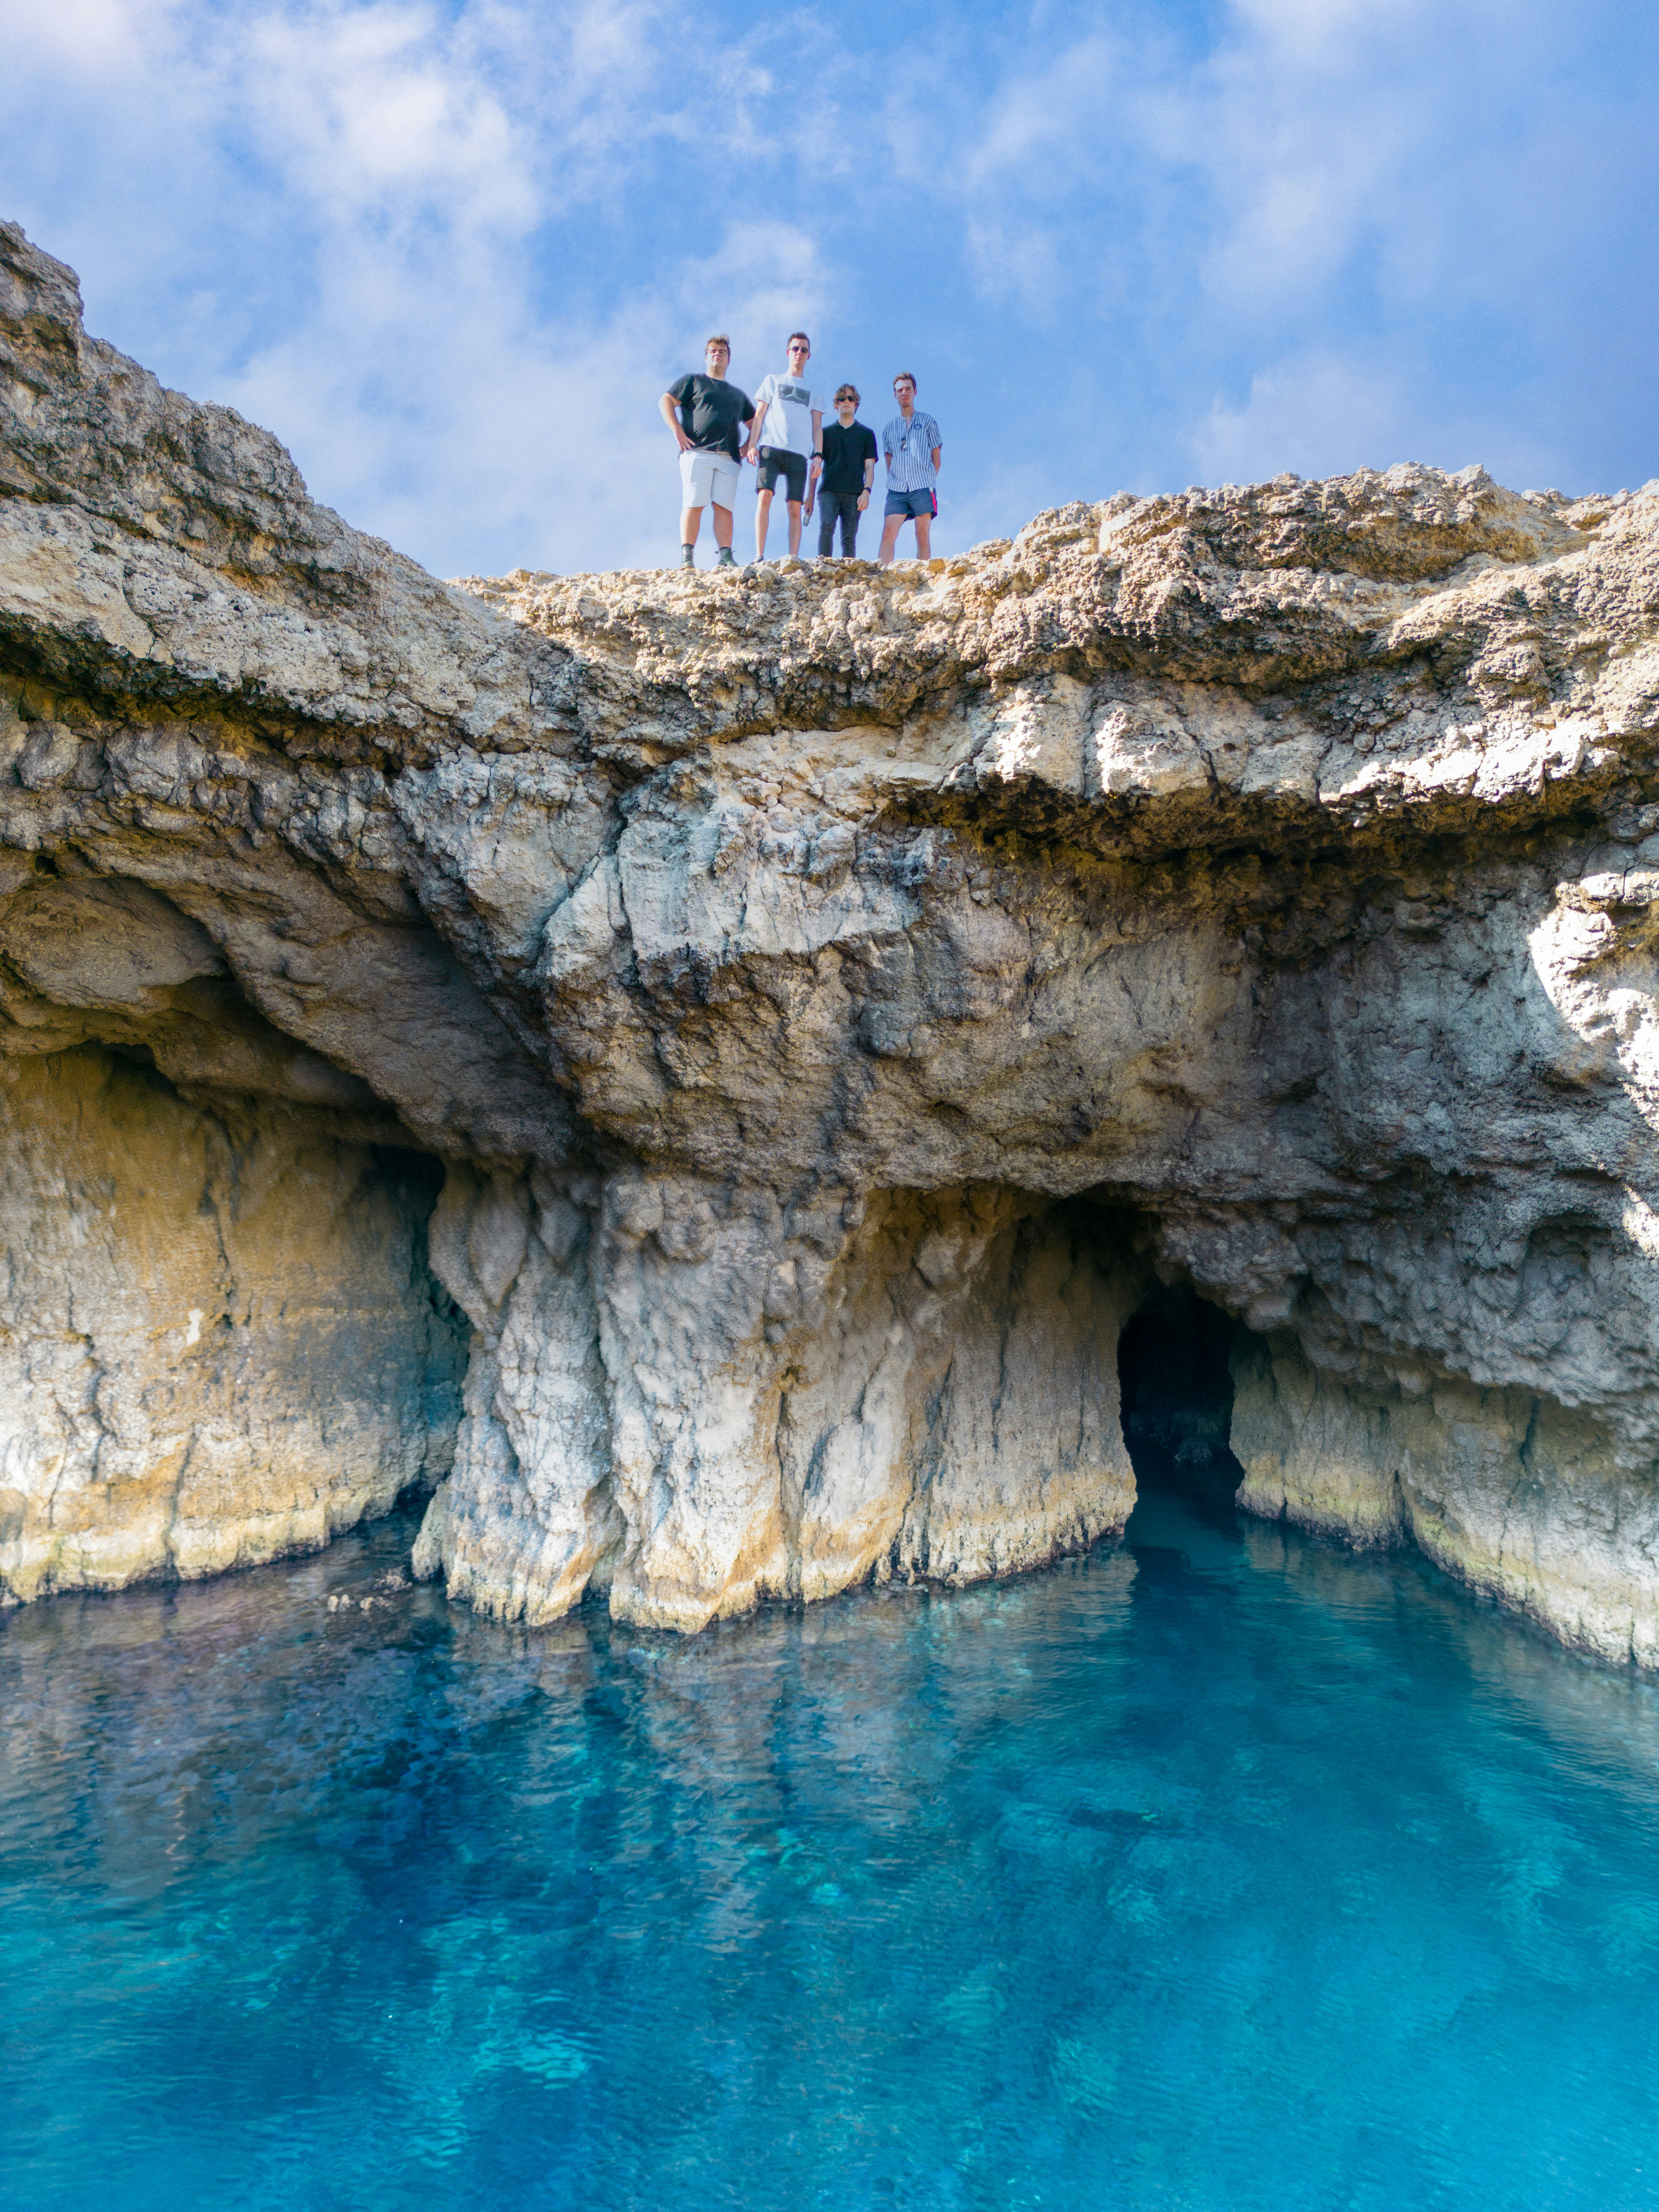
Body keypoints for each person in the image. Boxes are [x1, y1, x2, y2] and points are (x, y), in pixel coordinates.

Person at [660, 337, 754, 569]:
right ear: (706, 356)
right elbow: (666, 401)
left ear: (729, 359)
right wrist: (678, 431)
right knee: (694, 503)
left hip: (728, 457)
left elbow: (756, 423)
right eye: (713, 351)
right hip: (697, 451)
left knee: (724, 507)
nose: (718, 355)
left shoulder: (738, 395)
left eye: (722, 352)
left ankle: (725, 557)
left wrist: (748, 446)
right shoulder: (693, 381)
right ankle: (687, 556)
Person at [746, 333, 823, 561]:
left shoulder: (814, 391)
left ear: (809, 356)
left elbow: (817, 427)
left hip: (799, 455)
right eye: (796, 349)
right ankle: (759, 556)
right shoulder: (773, 380)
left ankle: (793, 559)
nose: (800, 353)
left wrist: (818, 456)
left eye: (804, 350)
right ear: (788, 352)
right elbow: (759, 416)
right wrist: (752, 445)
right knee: (765, 496)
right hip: (771, 448)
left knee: (794, 507)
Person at [878, 373, 942, 565]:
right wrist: (896, 479)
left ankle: (922, 575)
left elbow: (937, 459)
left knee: (922, 535)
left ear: (915, 392)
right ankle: (882, 574)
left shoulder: (928, 421)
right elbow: (889, 461)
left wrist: (929, 480)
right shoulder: (889, 429)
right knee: (888, 533)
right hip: (897, 489)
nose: (904, 393)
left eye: (907, 389)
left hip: (922, 485)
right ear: (895, 395)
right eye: (900, 390)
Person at [814, 384, 877, 559]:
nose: (846, 402)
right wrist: (810, 497)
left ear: (856, 403)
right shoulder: (825, 433)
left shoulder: (867, 434)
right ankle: (823, 568)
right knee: (827, 528)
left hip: (855, 492)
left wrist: (867, 492)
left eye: (851, 398)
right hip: (828, 490)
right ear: (836, 404)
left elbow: (870, 467)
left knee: (849, 538)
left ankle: (849, 575)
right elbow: (815, 466)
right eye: (842, 399)